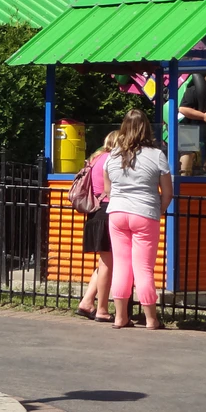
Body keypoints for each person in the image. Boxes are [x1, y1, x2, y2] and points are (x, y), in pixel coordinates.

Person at [104, 109, 173, 330]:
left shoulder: (112, 156)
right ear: (146, 128)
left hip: (116, 213)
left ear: (124, 127)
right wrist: (158, 210)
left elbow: (108, 190)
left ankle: (119, 317)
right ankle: (151, 319)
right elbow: (168, 192)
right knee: (143, 268)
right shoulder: (157, 155)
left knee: (122, 266)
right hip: (144, 213)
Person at [77, 131, 118, 323]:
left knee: (105, 262)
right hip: (108, 210)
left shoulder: (95, 158)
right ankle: (102, 309)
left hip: (95, 211)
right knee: (108, 263)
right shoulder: (111, 159)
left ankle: (86, 301)